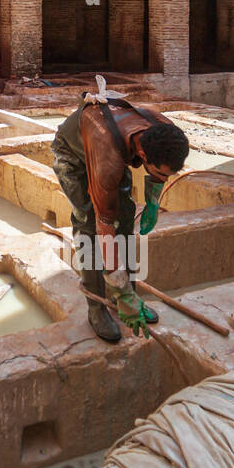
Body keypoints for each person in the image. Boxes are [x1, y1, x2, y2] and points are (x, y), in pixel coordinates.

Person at [51, 90, 189, 342]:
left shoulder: (164, 129)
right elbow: (105, 230)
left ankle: (129, 297)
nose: (164, 178)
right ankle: (98, 307)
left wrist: (153, 201)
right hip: (74, 155)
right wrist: (119, 287)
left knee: (125, 219)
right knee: (90, 226)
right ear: (144, 156)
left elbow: (159, 169)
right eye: (160, 173)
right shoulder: (110, 162)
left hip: (110, 143)